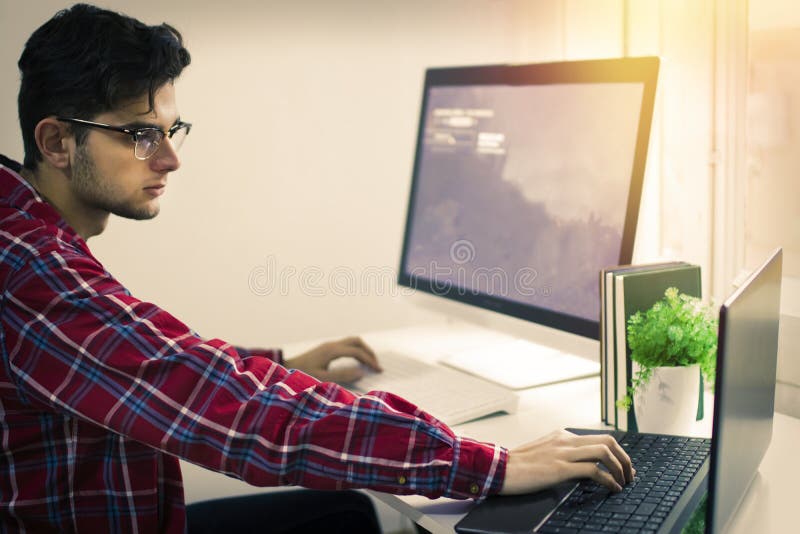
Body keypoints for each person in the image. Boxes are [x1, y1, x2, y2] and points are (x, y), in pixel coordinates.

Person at [0, 4, 634, 533]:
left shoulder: (24, 234)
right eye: (140, 135)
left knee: (351, 514)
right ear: (56, 142)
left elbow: (154, 360)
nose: (170, 159)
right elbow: (236, 413)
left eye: (172, 130)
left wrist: (279, 360)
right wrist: (489, 465)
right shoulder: (32, 272)